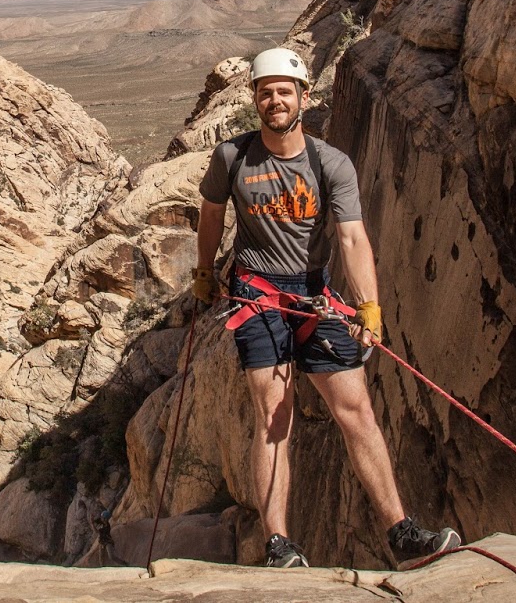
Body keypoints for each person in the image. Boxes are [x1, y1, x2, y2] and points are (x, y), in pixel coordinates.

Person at [193, 47, 460, 569]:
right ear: (254, 99)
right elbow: (210, 214)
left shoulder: (329, 163)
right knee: (274, 416)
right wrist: (205, 271)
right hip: (257, 293)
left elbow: (353, 237)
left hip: (314, 292)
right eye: (265, 92)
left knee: (356, 411)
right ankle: (278, 544)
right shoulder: (232, 157)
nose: (275, 100)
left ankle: (401, 533)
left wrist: (368, 307)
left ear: (303, 97)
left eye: (284, 91)